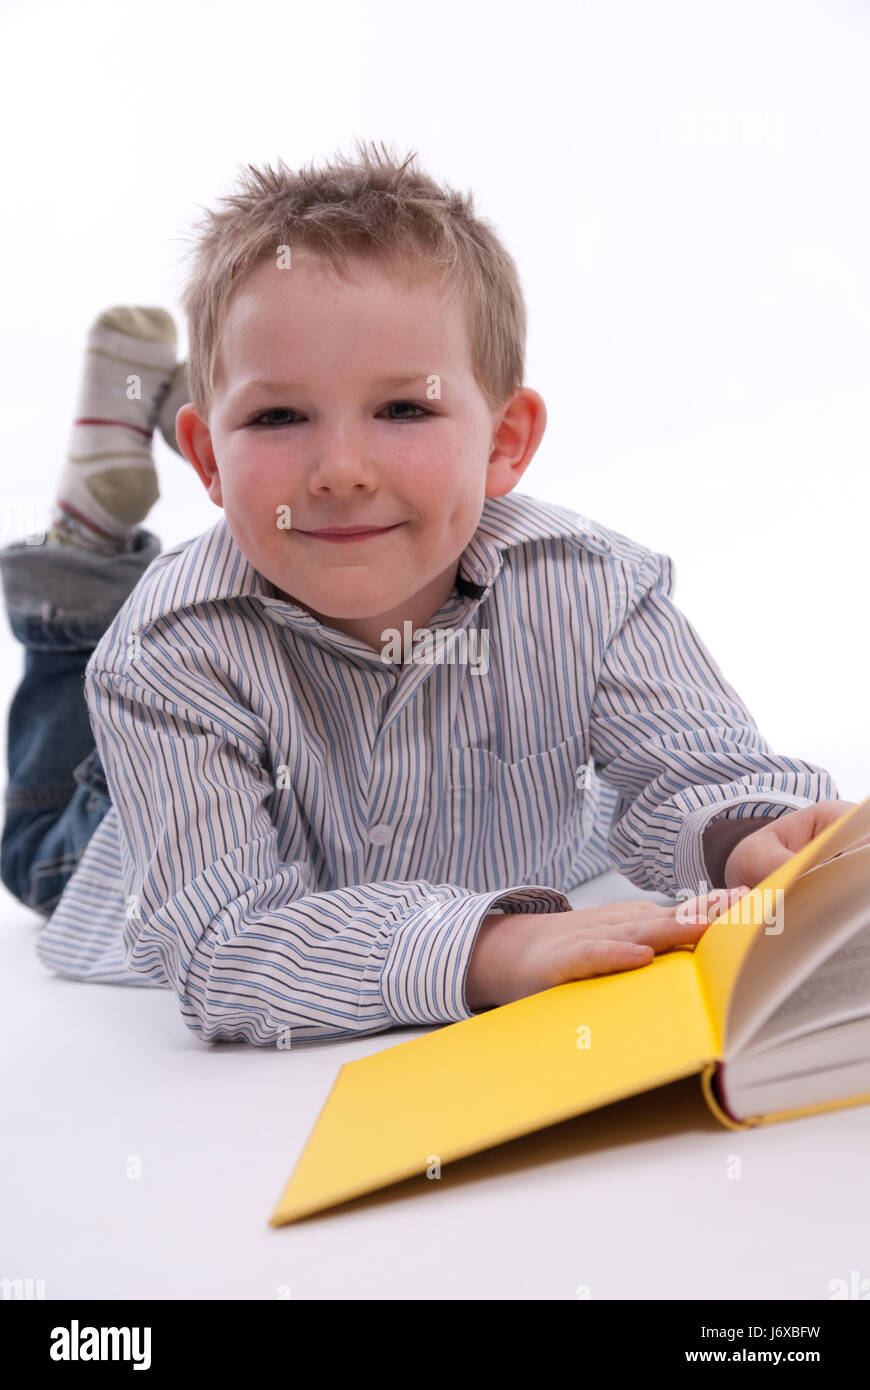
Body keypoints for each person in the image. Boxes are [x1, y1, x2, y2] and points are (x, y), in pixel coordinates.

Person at [0, 141, 853, 1046]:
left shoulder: (590, 588)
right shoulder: (165, 655)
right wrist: (490, 949)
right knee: (44, 830)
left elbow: (692, 766)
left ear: (505, 442)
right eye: (279, 415)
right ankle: (84, 546)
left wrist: (748, 831)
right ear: (210, 460)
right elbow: (228, 942)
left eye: (404, 409)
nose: (340, 471)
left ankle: (204, 413)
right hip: (118, 847)